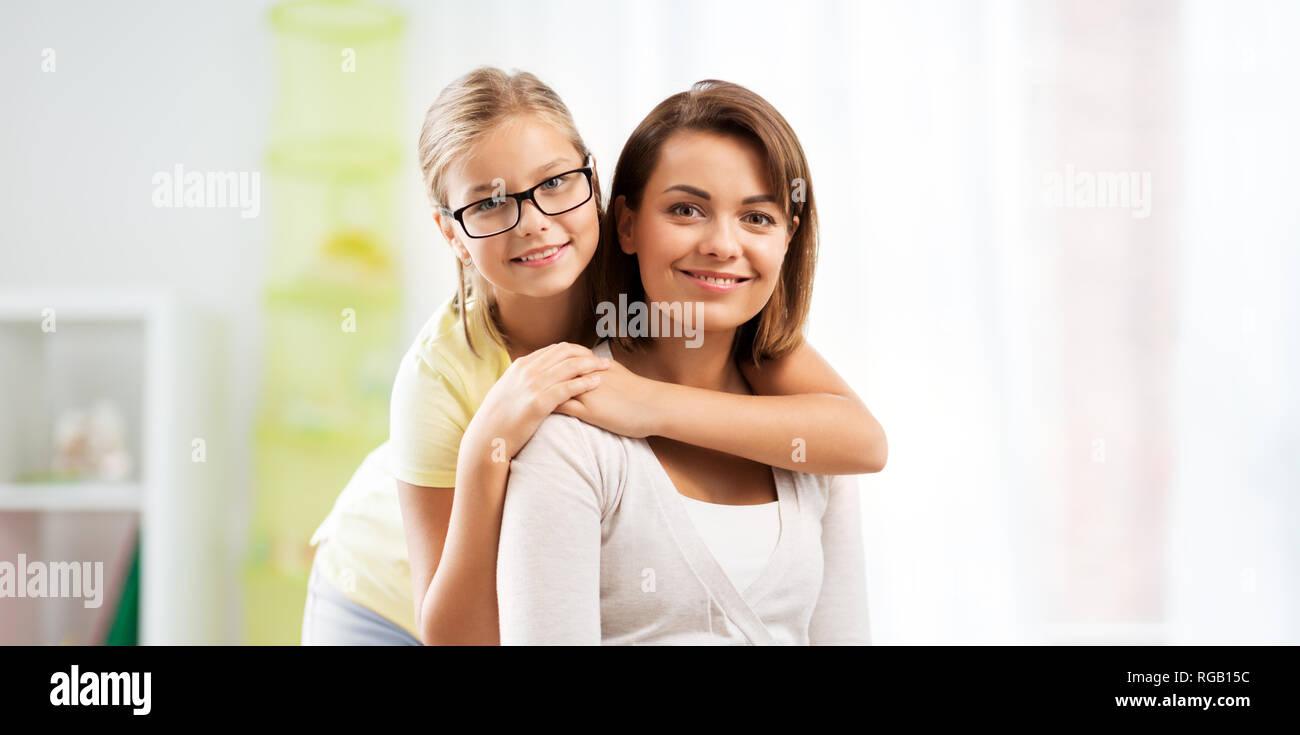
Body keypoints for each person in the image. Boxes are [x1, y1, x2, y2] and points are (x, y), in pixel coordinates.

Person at [303, 68, 886, 645]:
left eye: (555, 184)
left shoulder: (662, 272)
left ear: (594, 181)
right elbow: (458, 637)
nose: (534, 224)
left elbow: (858, 440)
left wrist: (650, 404)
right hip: (385, 597)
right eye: (488, 205)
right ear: (451, 232)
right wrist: (486, 449)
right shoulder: (440, 372)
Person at [496, 80, 872, 645]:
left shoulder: (810, 439)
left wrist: (651, 406)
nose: (723, 244)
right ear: (626, 224)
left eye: (758, 218)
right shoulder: (570, 439)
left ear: (789, 239)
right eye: (686, 209)